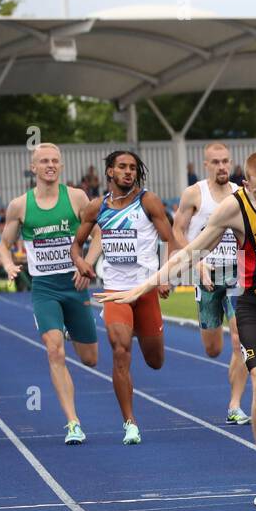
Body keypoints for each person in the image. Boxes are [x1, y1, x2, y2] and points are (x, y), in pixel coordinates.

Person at [98, 151, 256, 506]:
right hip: (254, 310)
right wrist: (146, 285)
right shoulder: (233, 209)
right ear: (246, 187)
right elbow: (190, 252)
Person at [72, 150, 181, 445]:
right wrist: (81, 262)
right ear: (109, 172)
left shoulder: (148, 201)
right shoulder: (96, 208)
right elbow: (77, 245)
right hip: (115, 292)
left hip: (145, 290)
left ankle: (143, 329)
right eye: (122, 167)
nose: (128, 172)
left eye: (132, 168)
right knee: (120, 350)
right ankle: (130, 423)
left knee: (155, 361)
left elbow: (170, 239)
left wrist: (165, 277)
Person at [0, 143, 99, 444]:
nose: (50, 165)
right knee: (54, 350)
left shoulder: (77, 197)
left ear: (61, 166)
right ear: (34, 168)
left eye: (55, 161)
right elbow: (4, 244)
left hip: (74, 285)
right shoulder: (20, 205)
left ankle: (68, 329)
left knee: (90, 359)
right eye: (44, 161)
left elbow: (99, 235)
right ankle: (73, 422)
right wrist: (7, 264)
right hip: (44, 288)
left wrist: (86, 265)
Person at [172, 141, 251, 425]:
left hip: (236, 273)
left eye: (225, 161)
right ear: (206, 164)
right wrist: (197, 261)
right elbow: (177, 231)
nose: (222, 167)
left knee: (240, 339)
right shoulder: (194, 194)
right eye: (216, 162)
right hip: (205, 276)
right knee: (213, 348)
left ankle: (235, 405)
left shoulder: (241, 194)